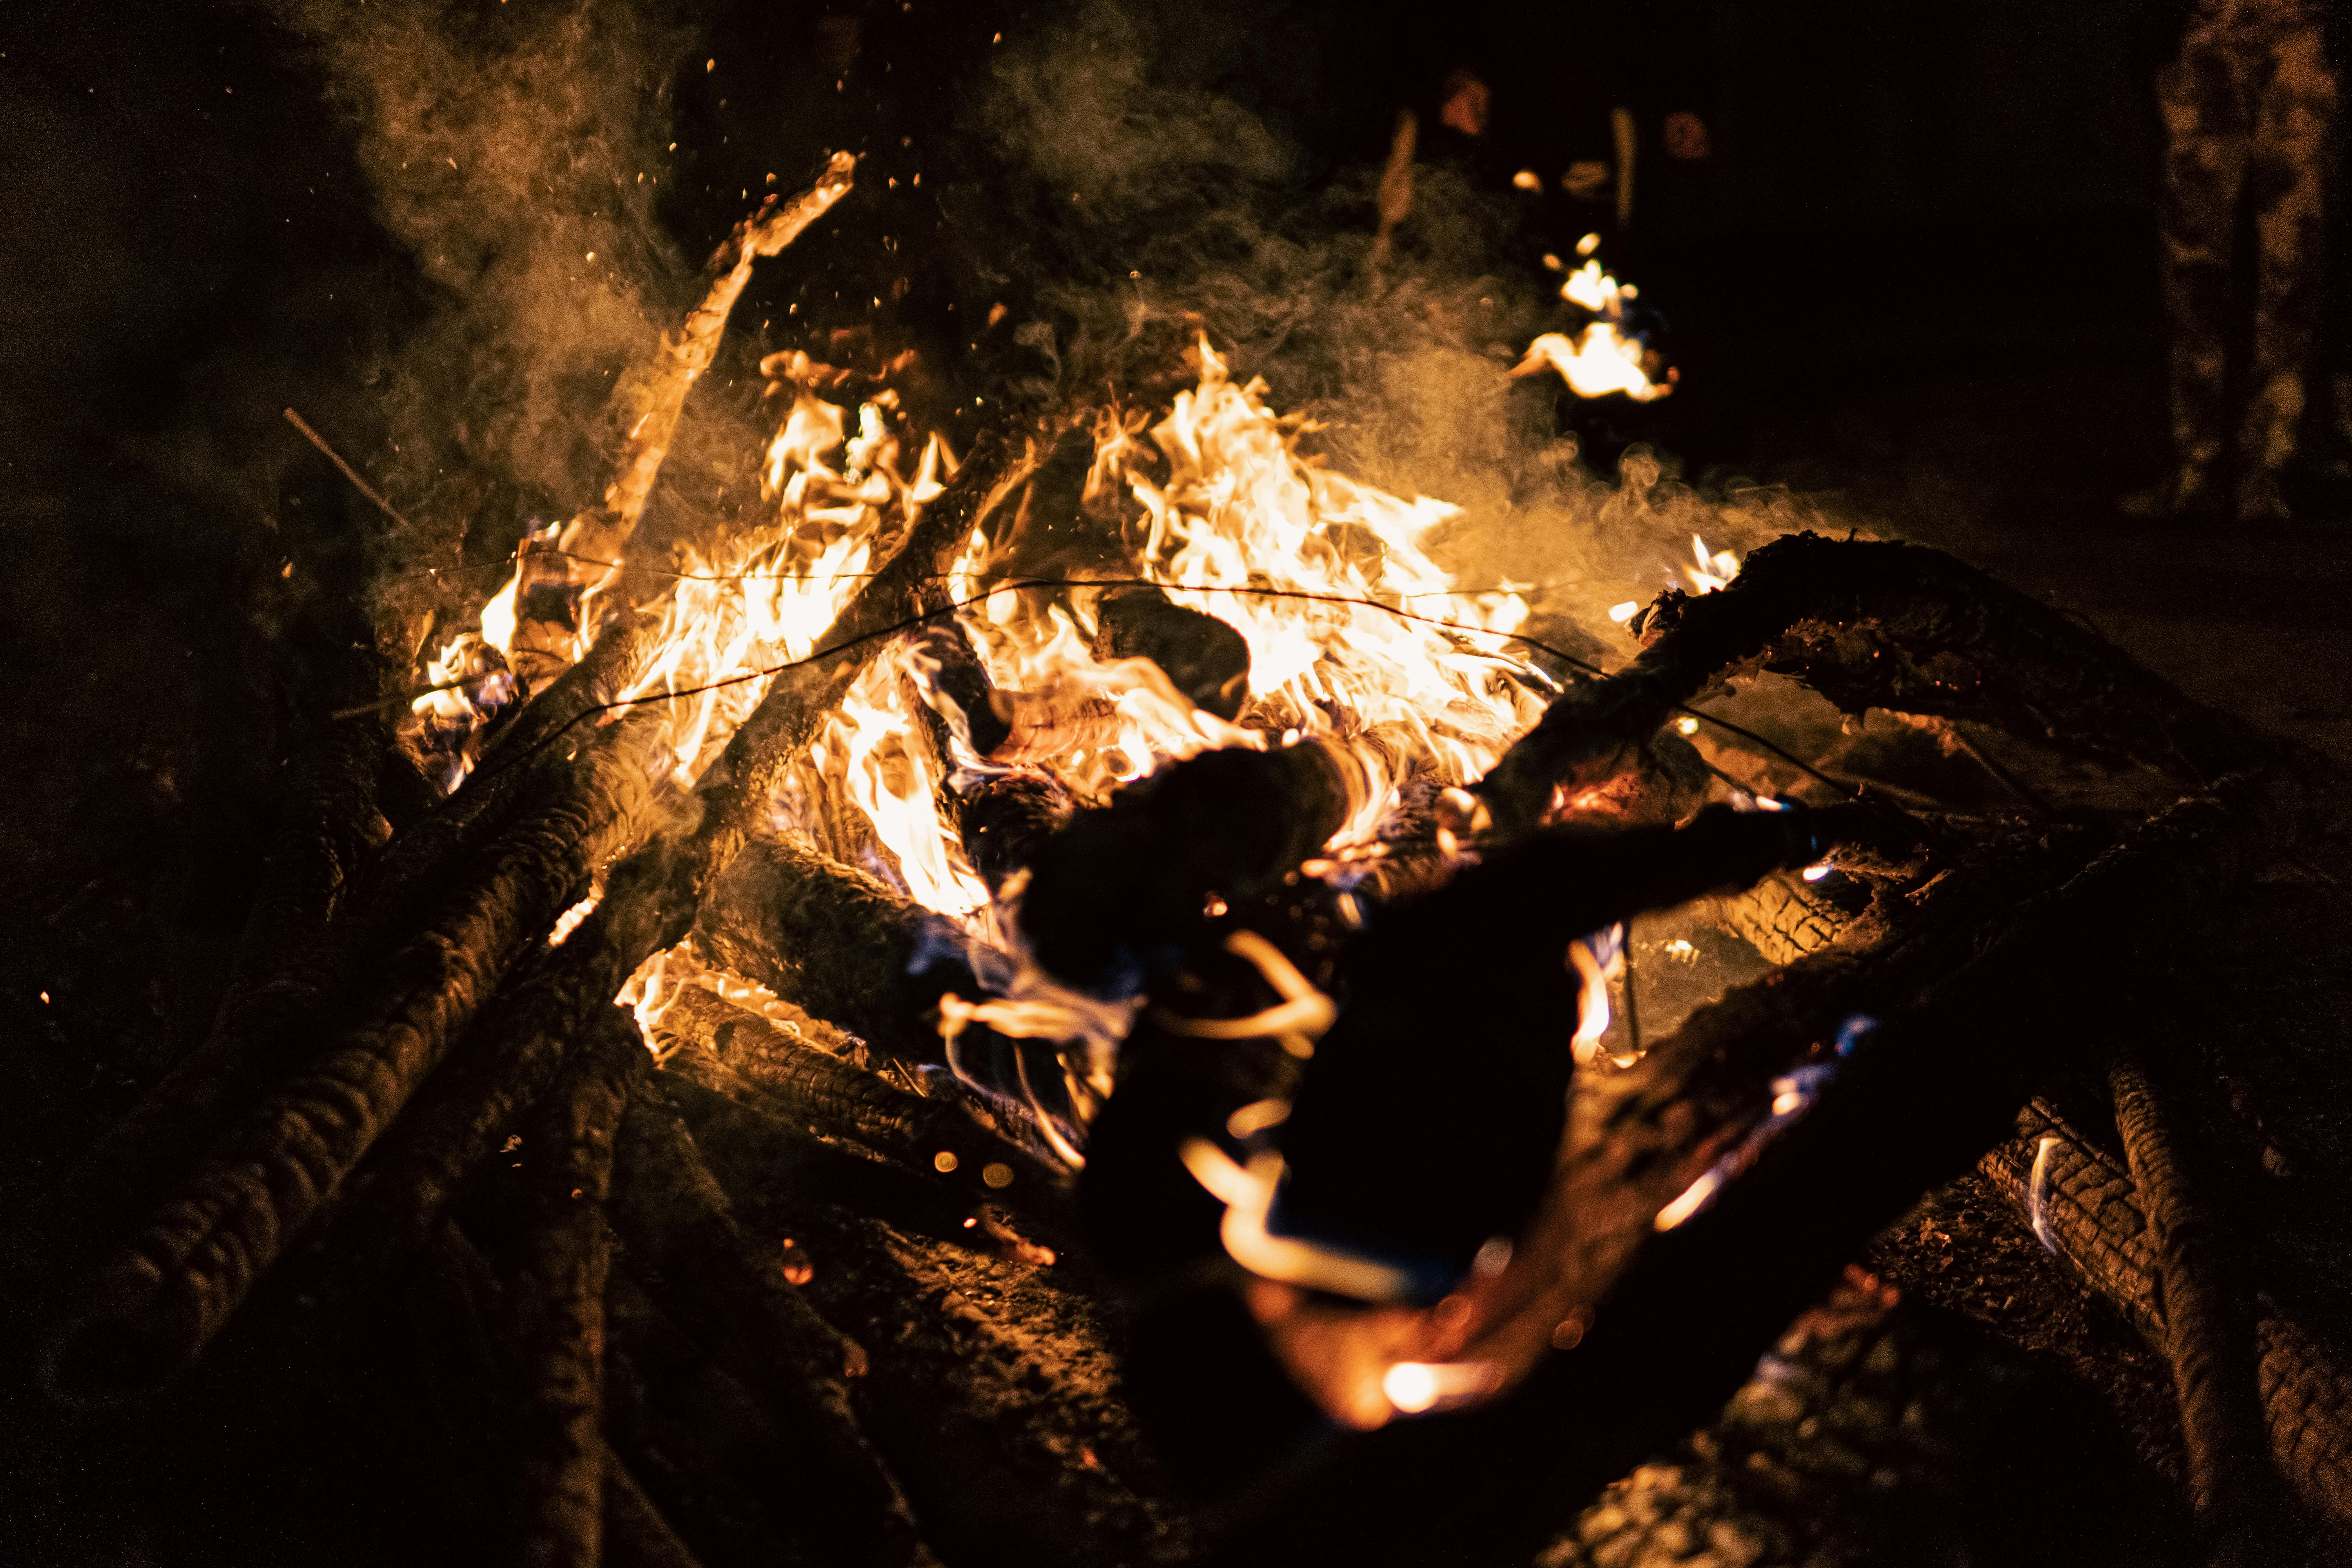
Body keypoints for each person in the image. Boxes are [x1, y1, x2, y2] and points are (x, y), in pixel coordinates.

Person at [2134, 0, 2340, 523]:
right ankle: (2200, 463)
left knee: (2292, 263)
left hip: (2302, 36)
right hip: (2209, 33)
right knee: (2196, 265)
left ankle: (2270, 467)